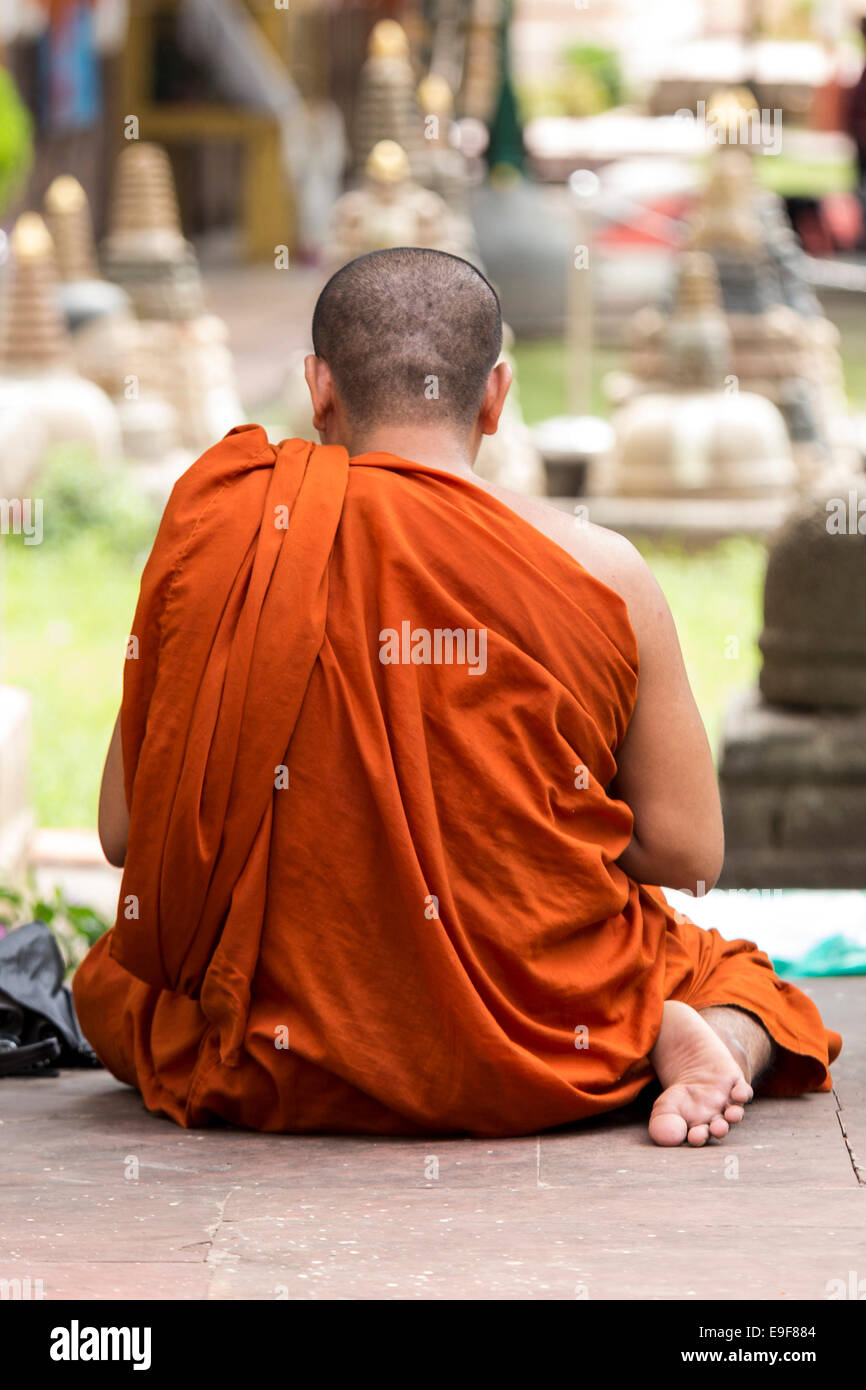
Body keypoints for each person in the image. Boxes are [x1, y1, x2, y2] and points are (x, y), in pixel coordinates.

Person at [76, 247, 841, 1146]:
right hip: (554, 1027)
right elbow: (687, 849)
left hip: (272, 1040)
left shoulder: (232, 538)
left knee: (117, 983)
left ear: (319, 388)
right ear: (496, 395)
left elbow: (125, 834)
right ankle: (694, 1039)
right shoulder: (602, 569)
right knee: (741, 979)